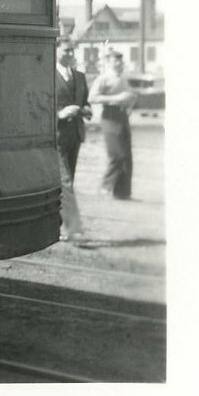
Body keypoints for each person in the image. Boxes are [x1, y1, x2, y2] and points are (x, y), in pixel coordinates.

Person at [89, 49, 140, 199]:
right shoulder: (103, 79)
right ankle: (105, 187)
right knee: (116, 154)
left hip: (122, 116)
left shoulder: (124, 79)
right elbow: (92, 98)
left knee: (127, 156)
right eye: (115, 60)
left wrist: (129, 104)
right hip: (109, 116)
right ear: (108, 62)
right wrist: (117, 99)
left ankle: (123, 193)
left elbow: (129, 95)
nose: (119, 63)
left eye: (120, 60)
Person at [54, 38, 90, 243]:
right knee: (65, 182)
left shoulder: (80, 77)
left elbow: (86, 103)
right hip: (56, 136)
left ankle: (57, 227)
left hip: (75, 135)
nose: (70, 54)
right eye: (66, 50)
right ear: (56, 50)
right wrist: (59, 114)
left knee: (68, 182)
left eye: (72, 51)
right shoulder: (46, 75)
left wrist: (86, 110)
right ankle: (74, 229)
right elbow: (39, 104)